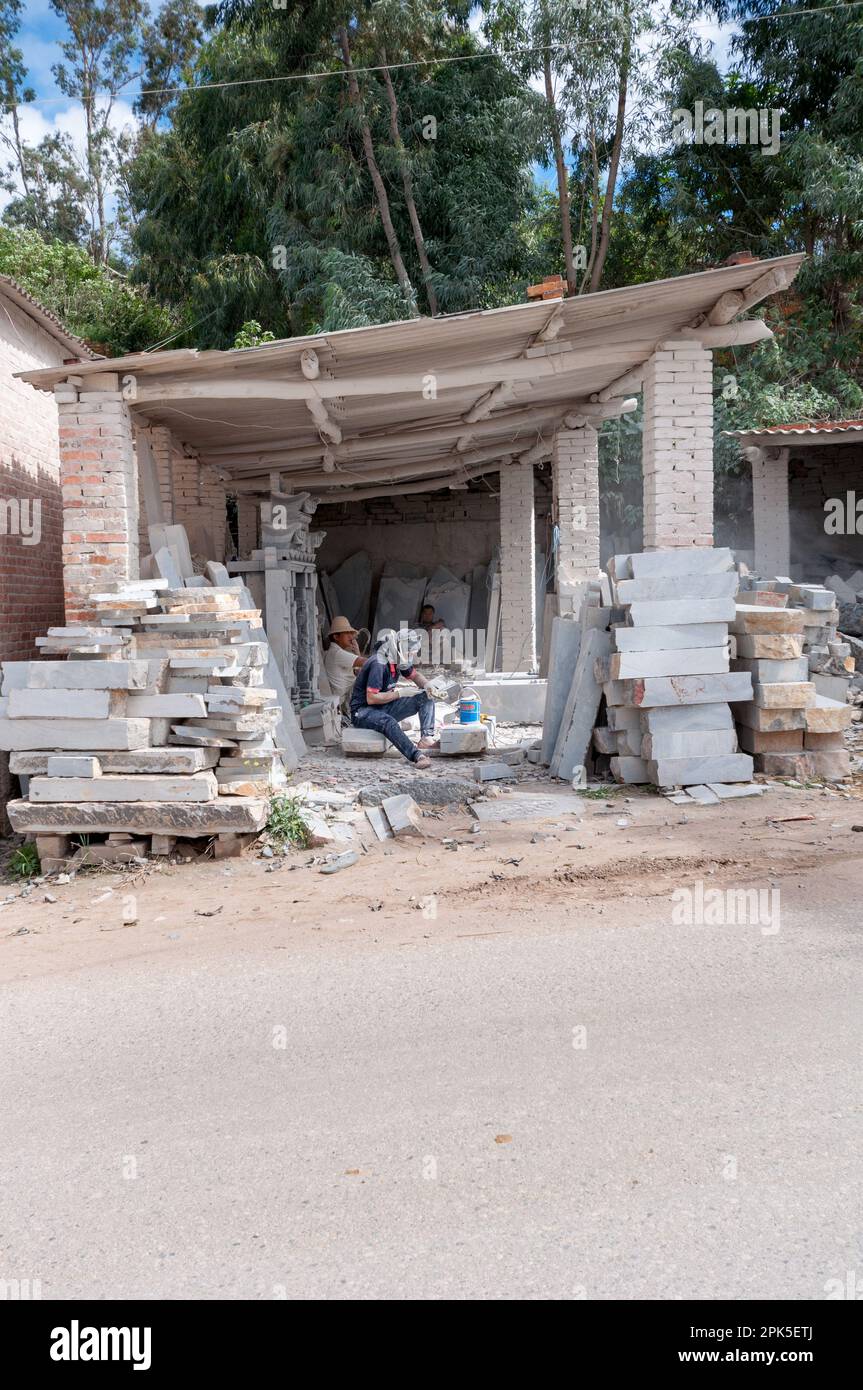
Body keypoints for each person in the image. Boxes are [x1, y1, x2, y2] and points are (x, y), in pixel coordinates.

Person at [350, 628, 438, 768]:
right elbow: (371, 698)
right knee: (388, 722)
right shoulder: (379, 663)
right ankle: (417, 756)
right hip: (362, 711)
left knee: (425, 697)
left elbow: (415, 676)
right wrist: (400, 693)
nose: (411, 657)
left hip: (382, 706)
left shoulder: (398, 659)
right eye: (410, 653)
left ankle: (426, 737)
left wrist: (428, 686)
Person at [324, 616, 365, 712]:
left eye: (351, 633)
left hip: (346, 696)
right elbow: (366, 662)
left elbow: (358, 669)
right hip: (345, 698)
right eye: (347, 633)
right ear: (336, 637)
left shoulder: (336, 651)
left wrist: (357, 652)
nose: (351, 637)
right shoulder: (337, 653)